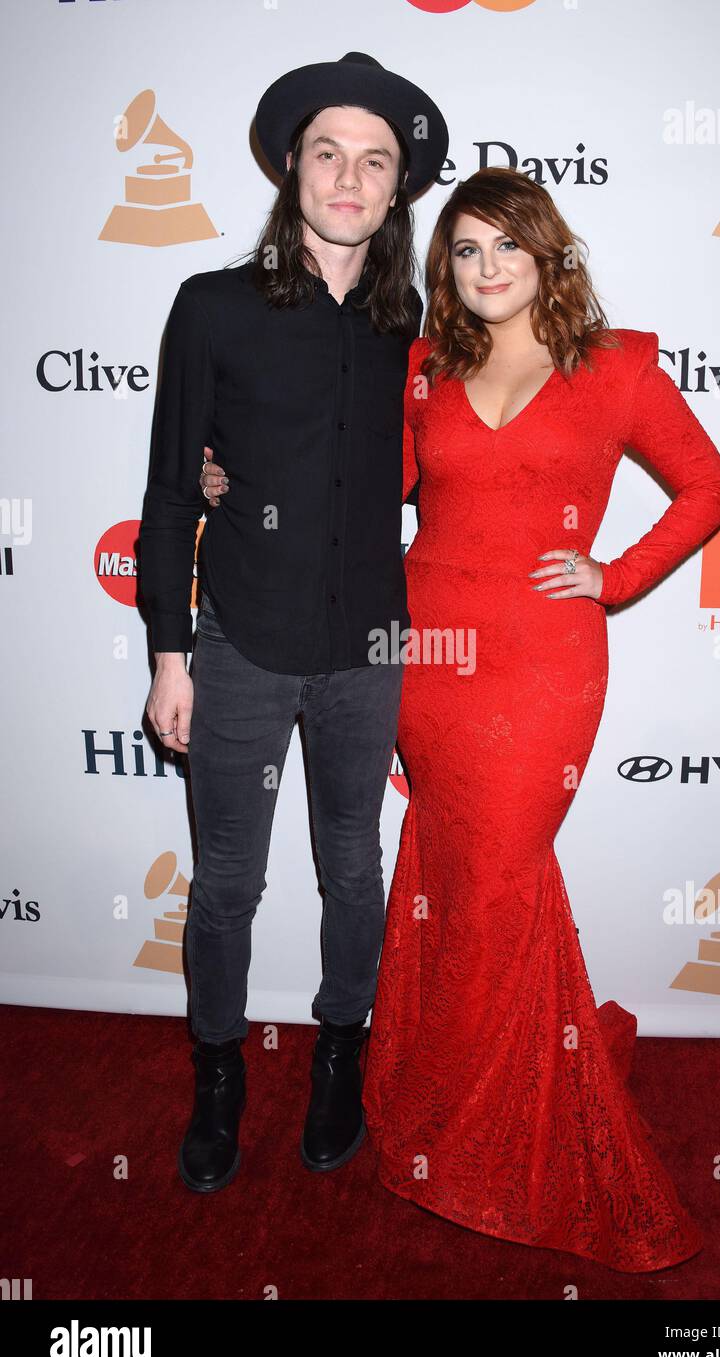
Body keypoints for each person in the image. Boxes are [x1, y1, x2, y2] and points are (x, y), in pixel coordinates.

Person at [209, 165, 720, 1271]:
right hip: (428, 651)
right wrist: (237, 476)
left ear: (548, 253)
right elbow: (359, 489)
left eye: (507, 246)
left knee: (498, 872)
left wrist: (615, 574)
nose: (486, 267)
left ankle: (496, 1118)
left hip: (543, 664)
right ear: (444, 267)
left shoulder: (620, 363)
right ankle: (434, 1078)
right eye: (464, 250)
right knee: (445, 867)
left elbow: (708, 488)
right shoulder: (422, 369)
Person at [137, 52, 448, 1194]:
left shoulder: (415, 323)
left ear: (396, 185)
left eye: (375, 159)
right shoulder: (210, 308)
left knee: (353, 868)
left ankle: (338, 1060)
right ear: (292, 168)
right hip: (242, 639)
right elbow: (173, 493)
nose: (350, 176)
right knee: (227, 882)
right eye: (330, 153)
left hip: (370, 639)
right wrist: (170, 655)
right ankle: (218, 1074)